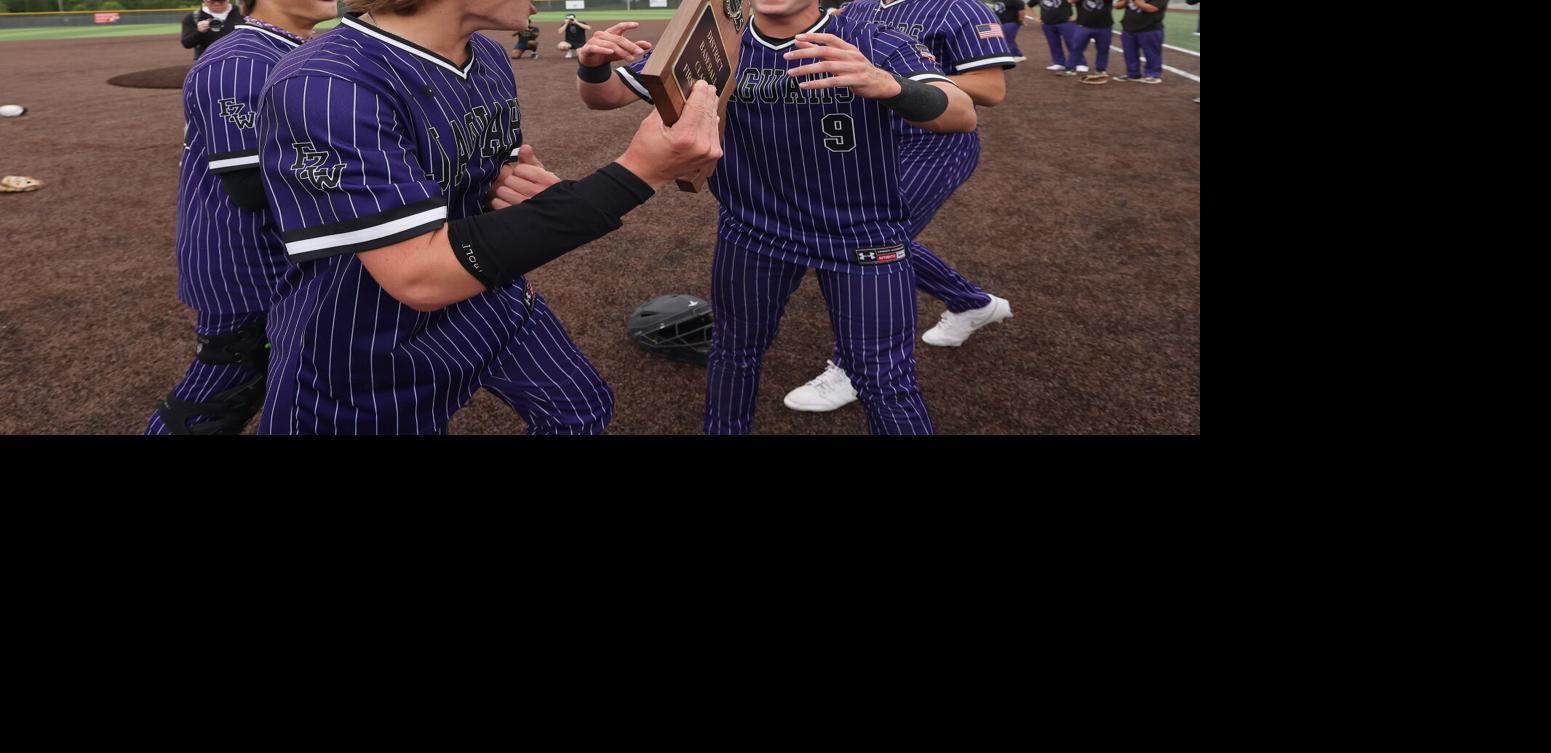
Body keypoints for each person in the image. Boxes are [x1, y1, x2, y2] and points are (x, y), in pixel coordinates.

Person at [253, 0, 722, 435]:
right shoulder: (325, 81)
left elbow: (486, 169)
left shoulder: (489, 57)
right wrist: (637, 173)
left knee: (581, 409)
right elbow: (419, 277)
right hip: (364, 339)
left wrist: (513, 182)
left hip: (490, 297)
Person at [578, 0, 977, 434]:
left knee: (884, 379)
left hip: (863, 235)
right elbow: (606, 97)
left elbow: (962, 113)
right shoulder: (714, 43)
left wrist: (887, 83)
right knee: (734, 352)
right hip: (753, 230)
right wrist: (594, 67)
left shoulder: (874, 40)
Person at [783, 0, 1014, 413]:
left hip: (933, 146)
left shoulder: (959, 8)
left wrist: (889, 77)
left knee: (860, 242)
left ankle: (853, 367)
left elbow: (991, 89)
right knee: (854, 237)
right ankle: (970, 302)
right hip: (876, 140)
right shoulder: (858, 6)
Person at [147, 0, 339, 435]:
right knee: (220, 397)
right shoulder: (240, 60)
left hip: (284, 253)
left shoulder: (297, 48)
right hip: (244, 258)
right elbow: (253, 187)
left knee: (296, 384)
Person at [1114, 0, 1165, 83]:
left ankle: (1152, 74)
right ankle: (1132, 74)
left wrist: (1135, 1)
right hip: (1129, 27)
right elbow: (1117, 6)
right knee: (1129, 53)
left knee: (1151, 53)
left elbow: (1152, 8)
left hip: (1150, 28)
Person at [182, 0, 247, 61]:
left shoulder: (244, 13)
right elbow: (187, 44)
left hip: (240, 59)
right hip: (207, 62)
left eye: (221, 0)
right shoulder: (194, 17)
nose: (216, 3)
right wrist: (199, 32)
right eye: (212, 1)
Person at [1068, 0, 1112, 80]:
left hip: (1104, 25)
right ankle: (1071, 68)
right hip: (1084, 25)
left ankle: (1100, 69)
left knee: (1103, 49)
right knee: (1076, 47)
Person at [1030, 0, 1074, 73]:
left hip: (1065, 22)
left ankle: (1079, 63)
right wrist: (1035, 16)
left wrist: (1078, 15)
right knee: (1053, 44)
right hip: (1047, 24)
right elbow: (1028, 5)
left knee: (1071, 43)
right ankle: (1059, 63)